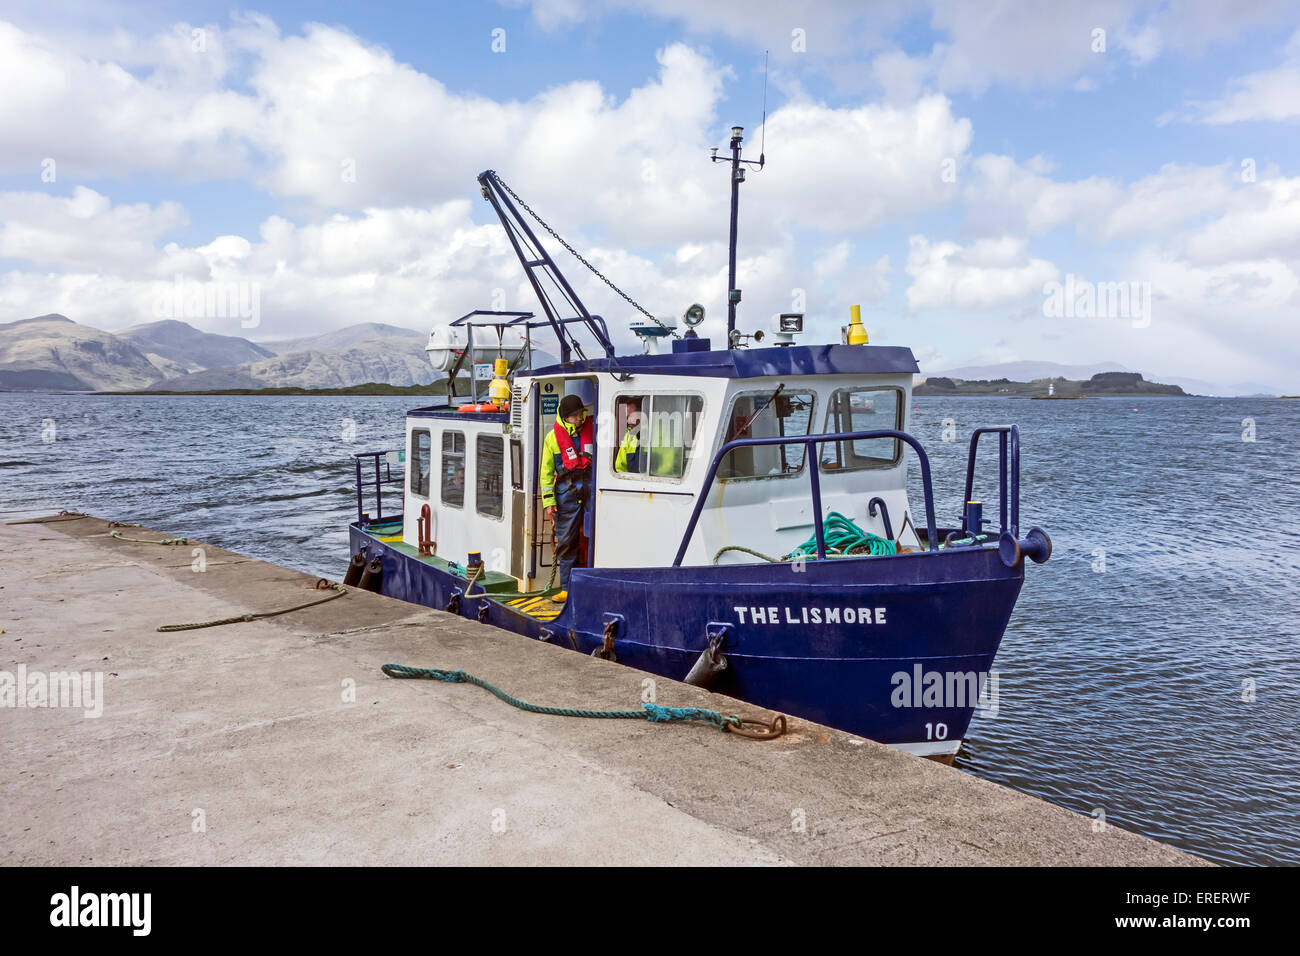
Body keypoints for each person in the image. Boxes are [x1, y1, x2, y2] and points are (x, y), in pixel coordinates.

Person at [540, 393, 593, 601]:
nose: (580, 418)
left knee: (594, 535)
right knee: (566, 541)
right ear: (566, 417)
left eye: (581, 414)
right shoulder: (552, 439)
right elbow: (545, 473)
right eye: (576, 415)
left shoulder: (592, 430)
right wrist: (549, 502)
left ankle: (591, 582)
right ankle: (566, 587)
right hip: (566, 494)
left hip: (589, 489)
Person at [614, 398, 644, 474]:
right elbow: (620, 466)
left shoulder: (655, 433)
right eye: (627, 417)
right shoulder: (628, 436)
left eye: (631, 416)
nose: (628, 421)